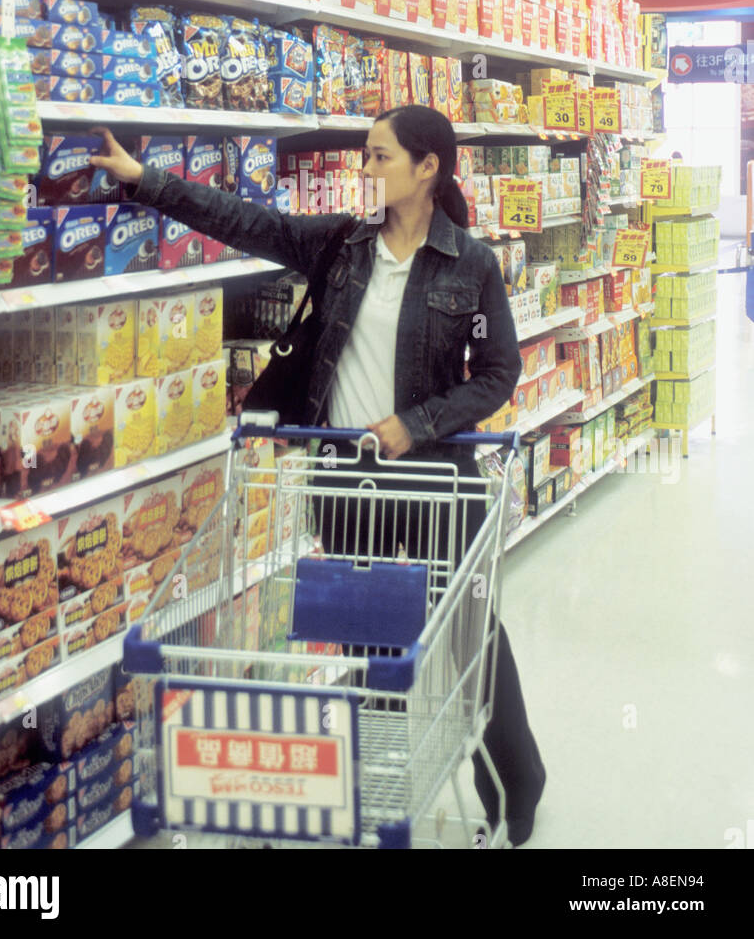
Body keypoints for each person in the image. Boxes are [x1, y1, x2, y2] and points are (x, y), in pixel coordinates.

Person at [91, 105, 546, 845]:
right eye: (366, 156)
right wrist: (147, 181)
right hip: (345, 475)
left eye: (379, 157)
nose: (365, 170)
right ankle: (380, 776)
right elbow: (246, 220)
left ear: (427, 167)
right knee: (367, 635)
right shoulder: (342, 245)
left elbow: (498, 375)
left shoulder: (473, 263)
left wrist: (418, 422)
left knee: (471, 634)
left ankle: (519, 780)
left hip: (434, 479)